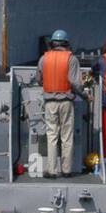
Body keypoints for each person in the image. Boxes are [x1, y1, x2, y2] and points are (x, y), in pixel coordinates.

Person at [36, 29, 82, 177]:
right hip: (67, 102)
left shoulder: (44, 58)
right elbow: (75, 83)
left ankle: (52, 170)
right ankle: (67, 170)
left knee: (52, 136)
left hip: (50, 102)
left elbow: (38, 79)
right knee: (67, 136)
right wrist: (85, 95)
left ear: (52, 43)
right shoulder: (72, 59)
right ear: (66, 43)